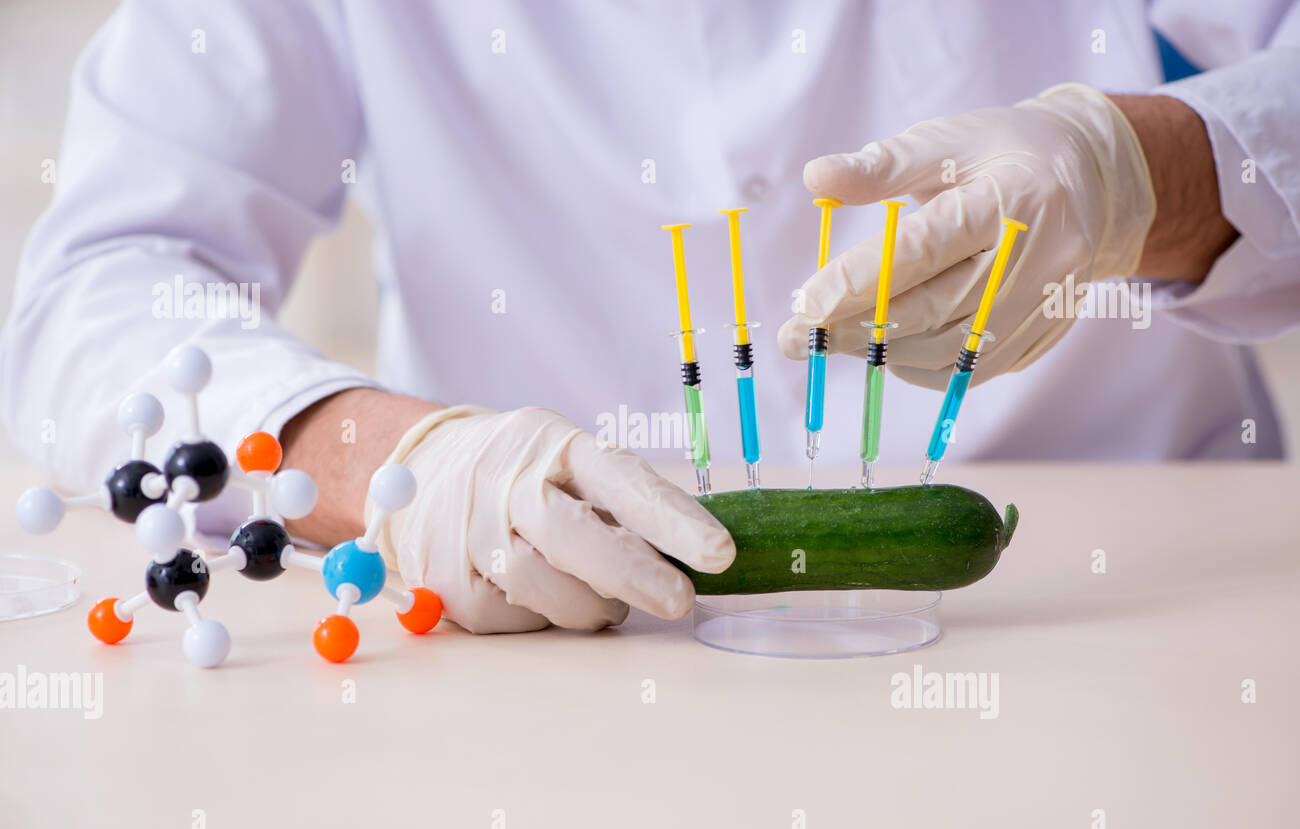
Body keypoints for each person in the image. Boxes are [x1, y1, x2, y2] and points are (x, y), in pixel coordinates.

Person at [3, 1, 1297, 633]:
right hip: (539, 654)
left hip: (1127, 621)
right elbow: (97, 286)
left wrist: (1144, 170)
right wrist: (396, 459)